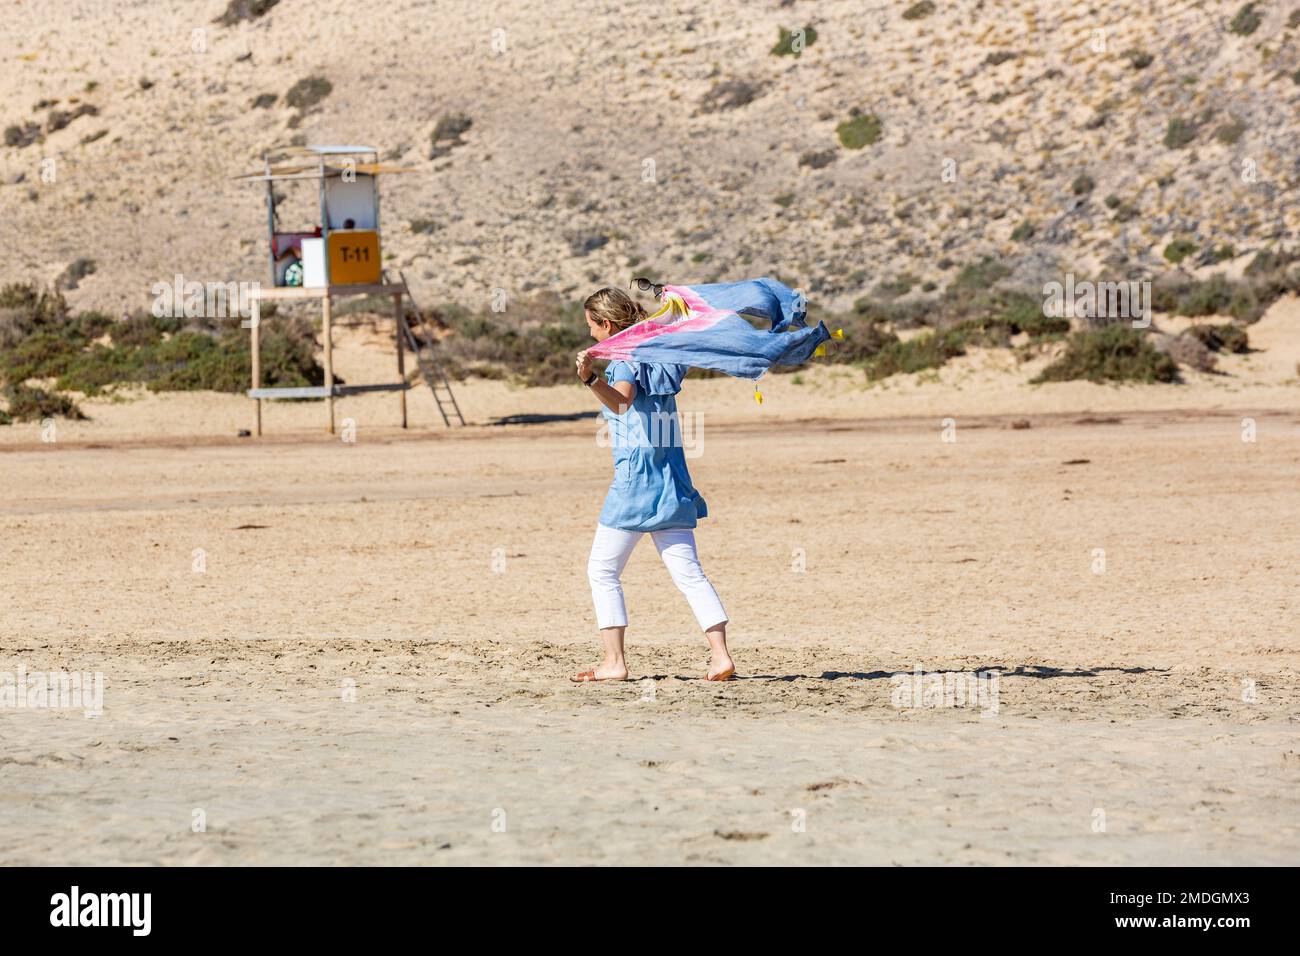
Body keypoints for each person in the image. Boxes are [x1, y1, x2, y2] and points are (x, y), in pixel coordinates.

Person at [571, 288, 734, 683]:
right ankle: (720, 656)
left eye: (592, 326)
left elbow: (623, 402)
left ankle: (614, 662)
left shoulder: (625, 359)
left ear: (607, 324)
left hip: (636, 482)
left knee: (602, 570)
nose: (591, 334)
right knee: (689, 573)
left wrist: (590, 377)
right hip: (672, 479)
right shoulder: (662, 354)